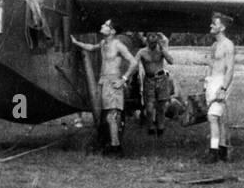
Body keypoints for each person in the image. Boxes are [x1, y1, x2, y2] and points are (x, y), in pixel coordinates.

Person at [72, 20, 138, 155]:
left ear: (112, 31)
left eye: (106, 25)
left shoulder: (118, 45)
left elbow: (133, 62)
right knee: (105, 115)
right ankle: (109, 144)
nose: (102, 26)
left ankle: (116, 147)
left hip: (114, 81)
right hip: (103, 81)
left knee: (112, 116)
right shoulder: (103, 43)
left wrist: (123, 79)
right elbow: (91, 47)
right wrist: (75, 42)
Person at [204, 12, 236, 163]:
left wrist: (223, 88)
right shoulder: (214, 45)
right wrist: (206, 81)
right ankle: (223, 149)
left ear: (222, 27)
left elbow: (230, 69)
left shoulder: (228, 45)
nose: (211, 26)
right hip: (212, 81)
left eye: (214, 24)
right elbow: (212, 65)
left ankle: (213, 151)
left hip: (222, 81)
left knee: (212, 116)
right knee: (219, 118)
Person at [135, 32, 177, 135]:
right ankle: (150, 127)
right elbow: (134, 63)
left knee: (161, 106)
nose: (153, 45)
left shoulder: (161, 50)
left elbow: (171, 61)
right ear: (147, 42)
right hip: (149, 80)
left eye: (155, 41)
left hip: (161, 79)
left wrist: (163, 49)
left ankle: (161, 128)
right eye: (151, 42)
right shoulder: (142, 52)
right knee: (149, 107)